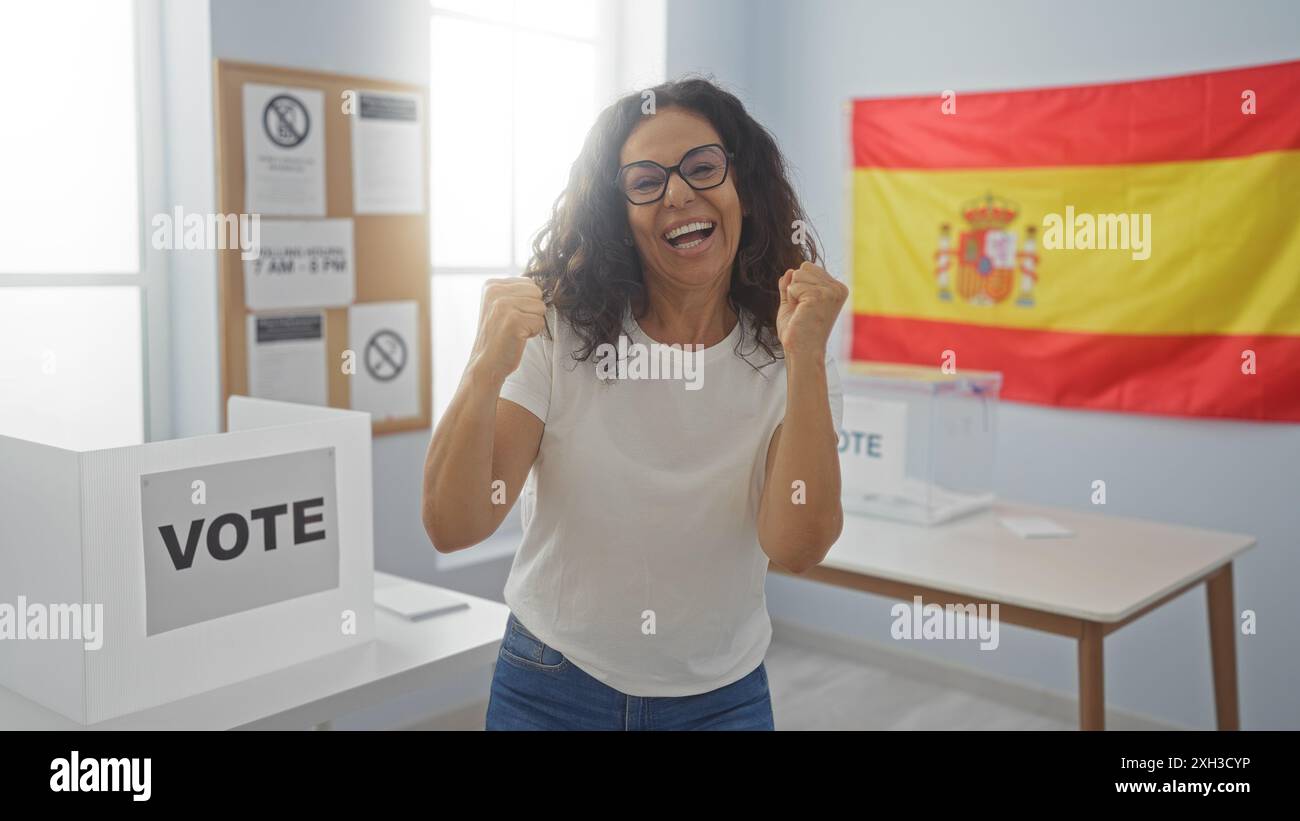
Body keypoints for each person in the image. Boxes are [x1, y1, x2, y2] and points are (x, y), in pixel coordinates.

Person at [422, 77, 848, 730]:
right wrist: (483, 366)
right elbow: (455, 524)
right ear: (617, 213)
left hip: (722, 695)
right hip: (552, 682)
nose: (679, 192)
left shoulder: (794, 343)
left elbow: (795, 545)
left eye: (703, 167)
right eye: (646, 182)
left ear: (746, 189)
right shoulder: (558, 329)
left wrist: (808, 359)